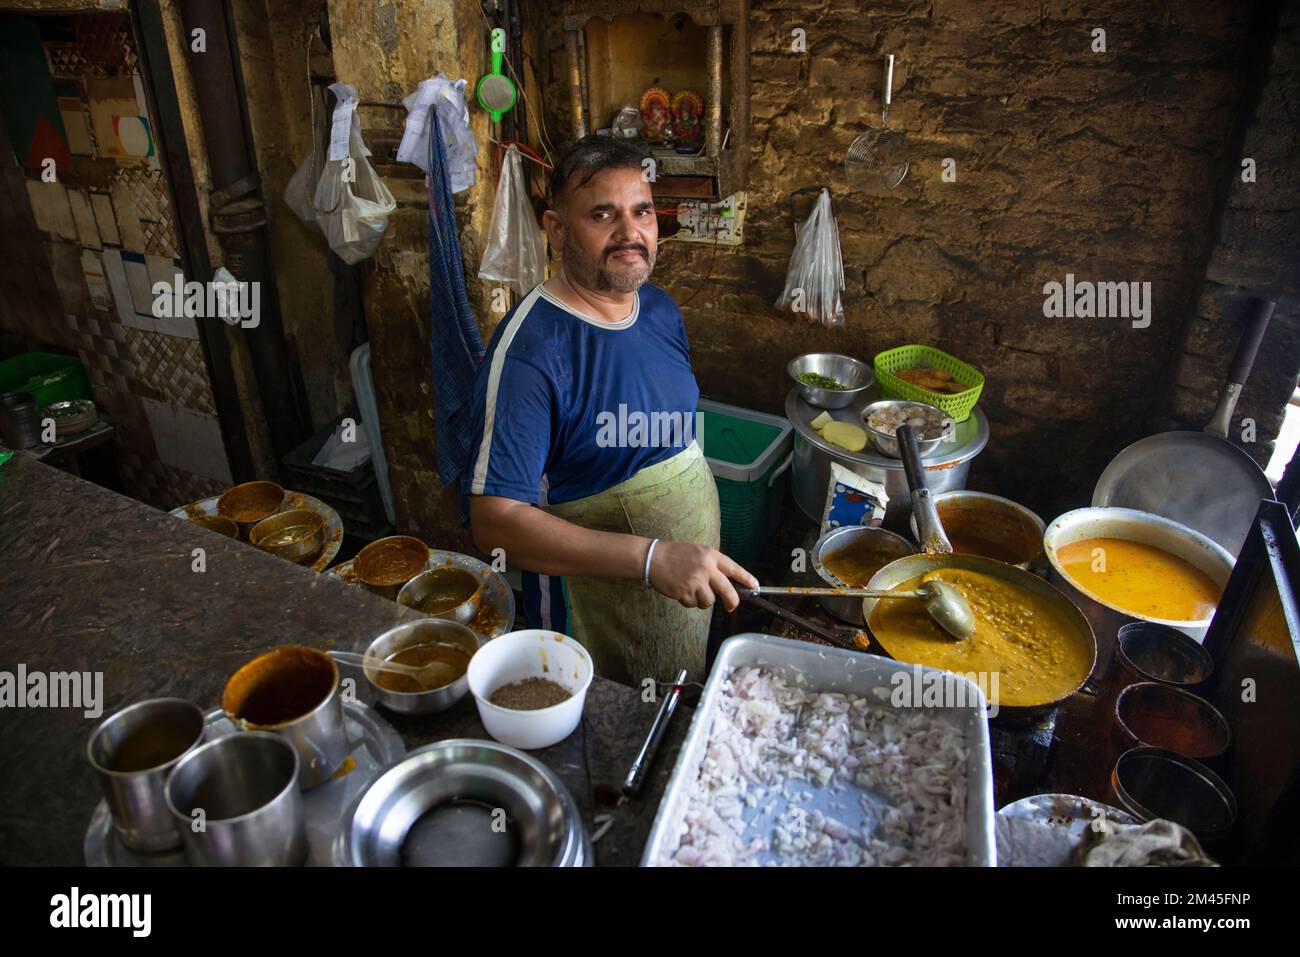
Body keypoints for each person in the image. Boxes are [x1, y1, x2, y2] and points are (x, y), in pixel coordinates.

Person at [462, 134, 758, 687]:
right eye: (602, 214)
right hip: (594, 610)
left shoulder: (660, 309)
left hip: (676, 590)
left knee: (672, 704)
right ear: (557, 229)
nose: (630, 233)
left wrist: (672, 553)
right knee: (606, 721)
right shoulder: (531, 355)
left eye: (641, 211)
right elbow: (495, 524)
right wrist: (649, 559)